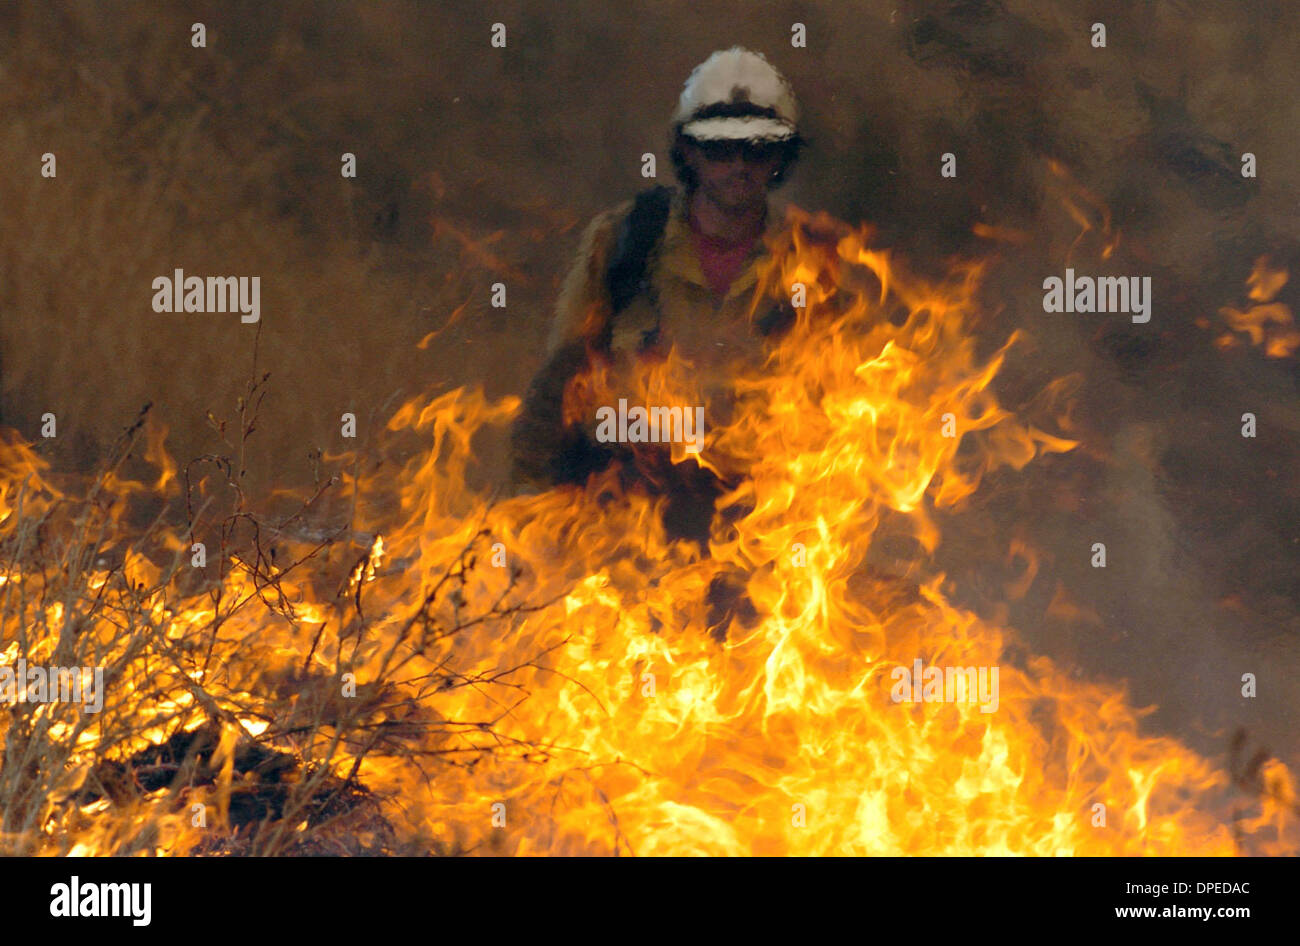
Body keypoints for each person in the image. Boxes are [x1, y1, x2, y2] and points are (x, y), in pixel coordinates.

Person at [510, 47, 807, 553]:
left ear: (779, 157)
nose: (739, 165)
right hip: (617, 530)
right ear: (689, 152)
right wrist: (532, 522)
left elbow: (836, 426)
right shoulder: (625, 242)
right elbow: (558, 396)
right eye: (719, 148)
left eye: (756, 149)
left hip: (753, 536)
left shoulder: (808, 263)